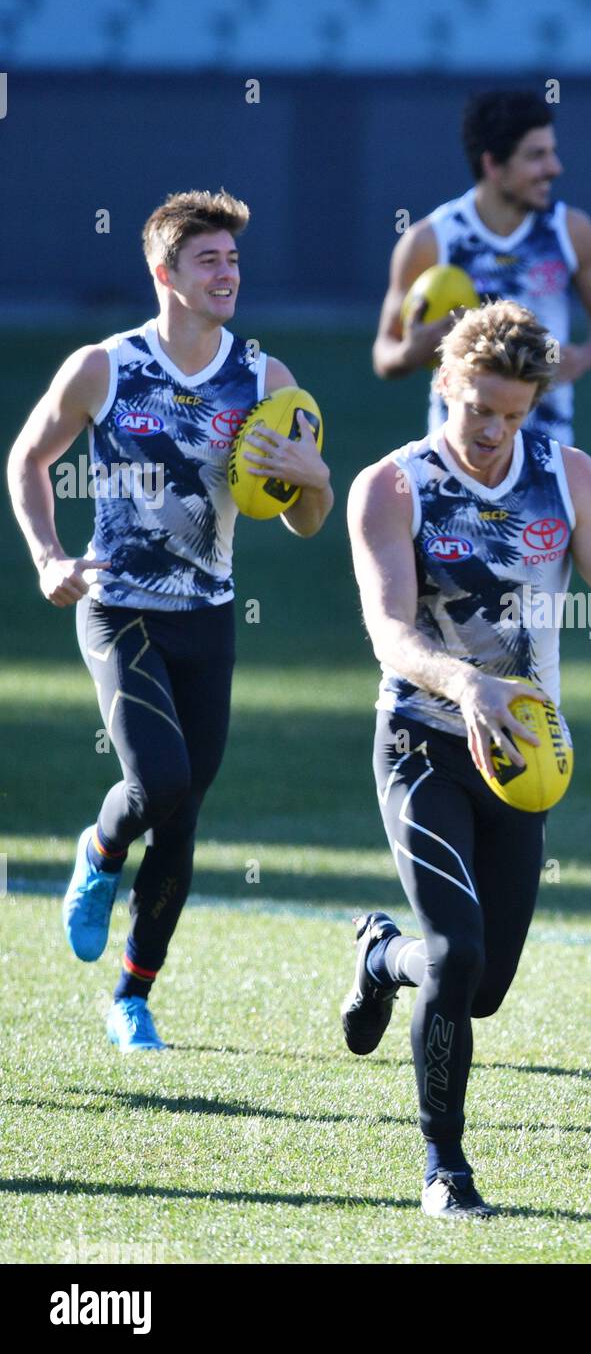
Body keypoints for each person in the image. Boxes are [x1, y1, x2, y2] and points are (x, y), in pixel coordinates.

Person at [346, 300, 591, 1217]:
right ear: (445, 382)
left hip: (525, 756)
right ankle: (445, 1168)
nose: (492, 432)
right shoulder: (392, 487)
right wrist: (465, 684)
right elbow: (390, 633)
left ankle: (378, 957)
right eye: (479, 408)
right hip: (421, 744)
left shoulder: (569, 477)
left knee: (480, 988)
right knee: (456, 952)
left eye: (513, 415)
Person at [6, 189, 333, 1052]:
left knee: (184, 819)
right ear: (165, 274)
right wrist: (47, 557)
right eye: (208, 261)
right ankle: (101, 851)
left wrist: (317, 480)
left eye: (232, 259)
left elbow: (301, 521)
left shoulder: (267, 381)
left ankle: (132, 997)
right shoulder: (104, 367)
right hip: (118, 610)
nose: (228, 274)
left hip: (210, 617)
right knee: (163, 784)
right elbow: (28, 458)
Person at [372, 89, 591, 446]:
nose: (554, 168)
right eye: (537, 156)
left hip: (547, 453)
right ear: (493, 164)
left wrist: (582, 358)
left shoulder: (572, 231)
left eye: (552, 153)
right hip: (456, 458)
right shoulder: (429, 241)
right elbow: (384, 354)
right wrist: (412, 352)